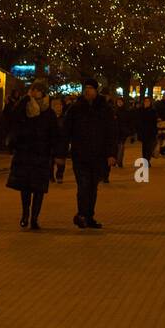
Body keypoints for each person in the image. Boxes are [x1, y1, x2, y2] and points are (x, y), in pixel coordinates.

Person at [62, 78, 119, 228]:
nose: (87, 90)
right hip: (80, 155)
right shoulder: (75, 109)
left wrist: (112, 154)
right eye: (85, 87)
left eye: (90, 88)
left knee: (93, 187)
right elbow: (66, 131)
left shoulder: (105, 109)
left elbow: (111, 133)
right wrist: (60, 153)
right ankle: (82, 214)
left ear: (96, 90)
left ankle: (88, 216)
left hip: (98, 155)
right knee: (83, 185)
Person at [6, 79, 63, 229]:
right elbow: (12, 116)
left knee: (38, 189)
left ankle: (34, 218)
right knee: (25, 187)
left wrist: (57, 153)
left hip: (41, 154)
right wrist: (24, 99)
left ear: (43, 92)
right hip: (25, 153)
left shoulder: (48, 112)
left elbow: (54, 134)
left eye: (38, 90)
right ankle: (25, 215)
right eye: (33, 89)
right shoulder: (24, 107)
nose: (35, 92)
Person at [136, 95, 157, 166]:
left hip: (151, 131)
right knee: (144, 147)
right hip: (143, 131)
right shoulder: (140, 110)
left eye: (148, 101)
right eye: (146, 101)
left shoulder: (153, 111)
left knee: (150, 147)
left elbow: (155, 122)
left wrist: (155, 130)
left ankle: (147, 159)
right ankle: (146, 160)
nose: (147, 103)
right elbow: (138, 121)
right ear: (143, 102)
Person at [50, 95, 68, 181]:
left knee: (61, 161)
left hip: (61, 143)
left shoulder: (65, 119)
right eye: (55, 105)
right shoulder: (49, 118)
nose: (58, 107)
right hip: (51, 143)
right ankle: (50, 175)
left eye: (59, 105)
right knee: (50, 160)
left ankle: (59, 175)